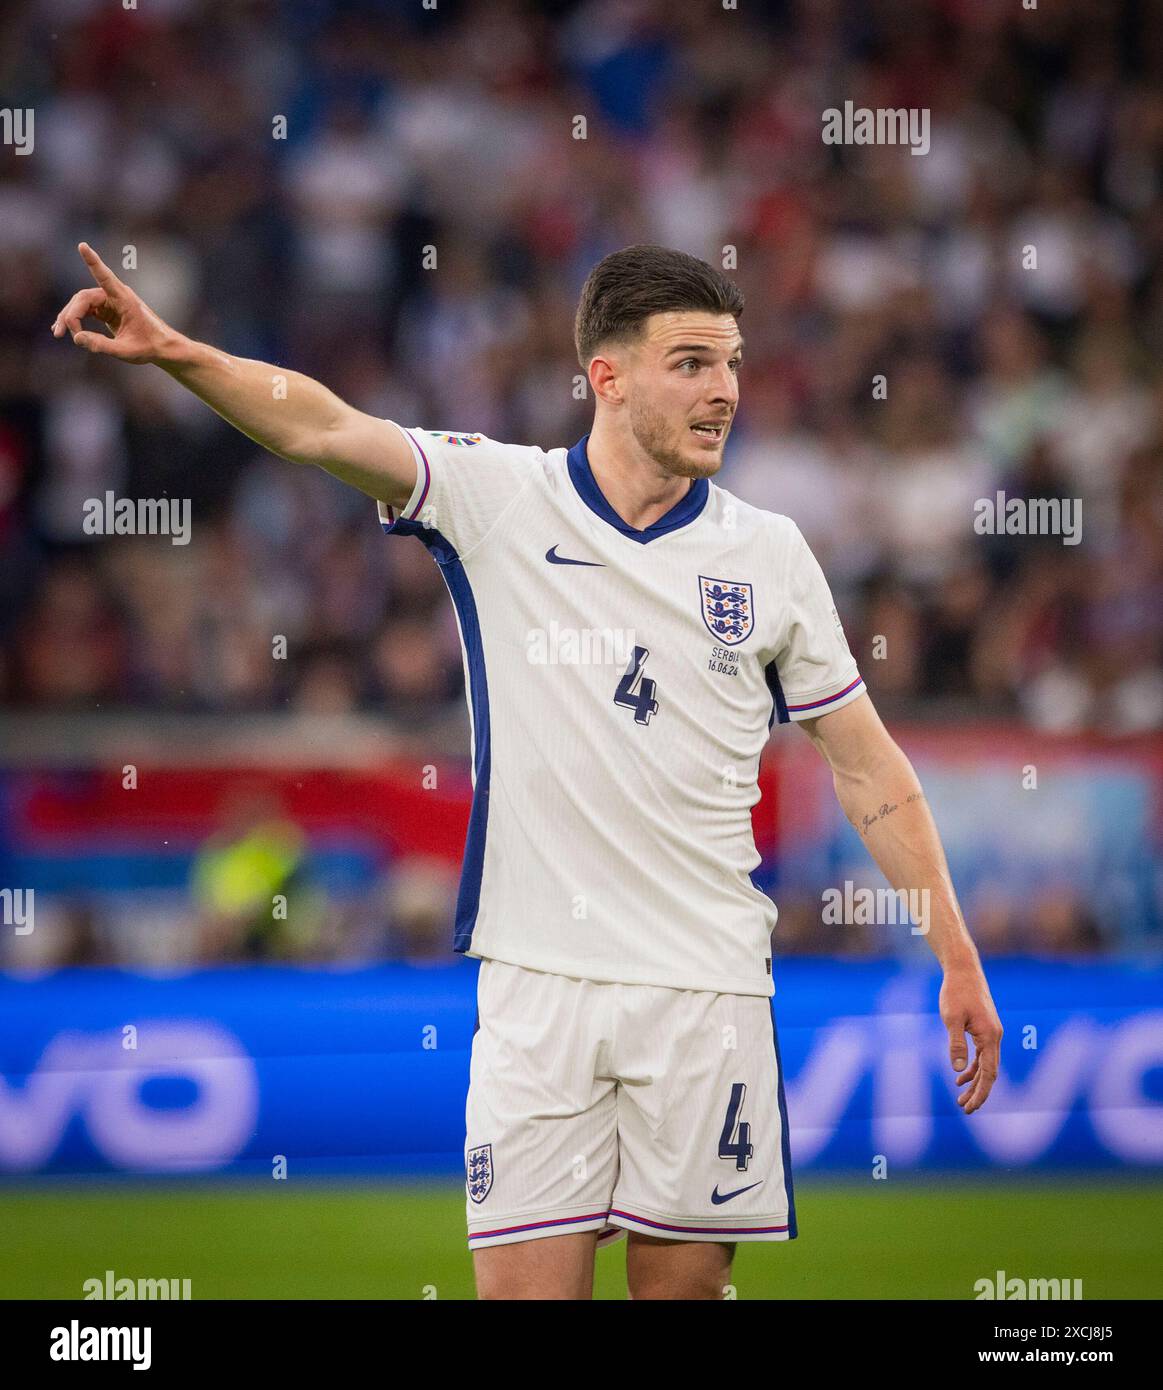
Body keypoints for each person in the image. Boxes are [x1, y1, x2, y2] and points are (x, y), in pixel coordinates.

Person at [53, 240, 1003, 1301]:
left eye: (731, 363)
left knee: (682, 1293)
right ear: (607, 376)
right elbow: (321, 424)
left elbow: (865, 765)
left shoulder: (768, 553)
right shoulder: (499, 496)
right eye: (689, 363)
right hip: (536, 988)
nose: (723, 390)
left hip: (707, 989)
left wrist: (953, 951)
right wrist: (178, 352)